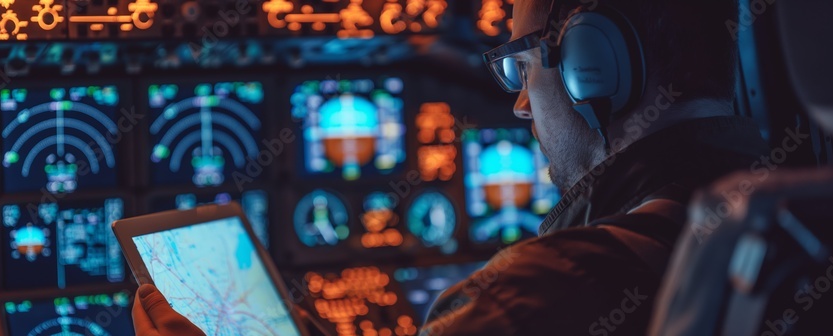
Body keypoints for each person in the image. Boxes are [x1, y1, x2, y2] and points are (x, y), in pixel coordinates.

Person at [133, 0, 768, 334]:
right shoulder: (784, 217)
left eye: (522, 65)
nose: (520, 104)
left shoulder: (532, 296)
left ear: (590, 66)